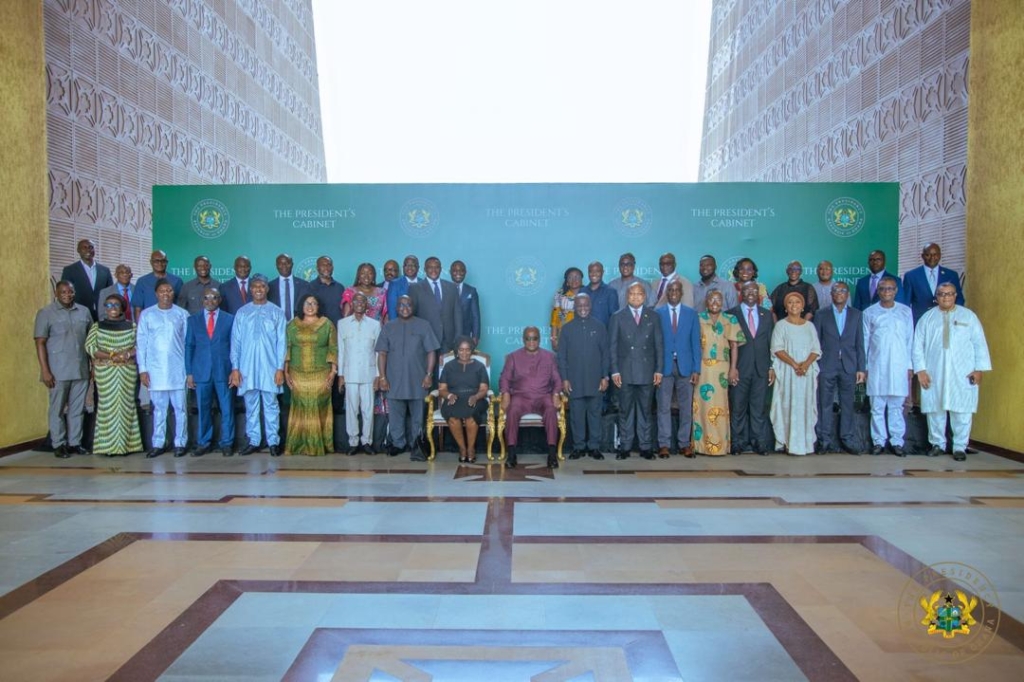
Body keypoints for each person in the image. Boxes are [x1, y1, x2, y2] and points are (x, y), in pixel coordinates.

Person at [913, 283, 992, 461]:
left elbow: (979, 344)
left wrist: (979, 370)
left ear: (955, 295)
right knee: (935, 409)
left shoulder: (968, 317)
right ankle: (937, 444)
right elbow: (917, 346)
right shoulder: (927, 318)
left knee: (962, 410)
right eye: (941, 294)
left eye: (949, 294)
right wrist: (921, 370)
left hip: (962, 372)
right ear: (936, 297)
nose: (945, 297)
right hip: (934, 371)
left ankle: (959, 447)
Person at [375, 295, 439, 461]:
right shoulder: (388, 327)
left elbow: (431, 351)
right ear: (396, 308)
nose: (405, 308)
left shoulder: (423, 325)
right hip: (393, 379)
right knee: (396, 415)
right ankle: (398, 444)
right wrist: (382, 377)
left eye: (408, 304)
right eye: (401, 305)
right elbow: (382, 353)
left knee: (418, 416)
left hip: (418, 380)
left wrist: (429, 375)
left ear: (413, 307)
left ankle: (417, 444)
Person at [230, 274, 287, 456]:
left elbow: (282, 343)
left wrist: (280, 368)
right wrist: (235, 368)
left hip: (270, 367)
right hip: (247, 367)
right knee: (251, 404)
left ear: (267, 289)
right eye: (255, 287)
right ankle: (254, 440)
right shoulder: (242, 312)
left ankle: (273, 441)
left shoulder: (277, 312)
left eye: (262, 286)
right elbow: (236, 342)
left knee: (271, 404)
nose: (258, 290)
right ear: (250, 289)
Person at [34, 281, 93, 458]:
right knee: (57, 409)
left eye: (70, 291)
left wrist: (93, 367)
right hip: (57, 371)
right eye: (63, 291)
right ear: (56, 292)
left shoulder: (84, 311)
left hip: (80, 368)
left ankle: (75, 442)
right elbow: (40, 342)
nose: (67, 294)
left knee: (77, 409)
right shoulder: (46, 313)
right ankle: (58, 444)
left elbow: (91, 341)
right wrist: (45, 371)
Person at [609, 282, 663, 460]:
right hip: (625, 372)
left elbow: (659, 346)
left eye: (639, 294)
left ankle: (645, 447)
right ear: (627, 296)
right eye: (632, 294)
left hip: (647, 371)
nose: (635, 297)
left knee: (645, 410)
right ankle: (625, 446)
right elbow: (613, 347)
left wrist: (659, 370)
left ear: (644, 296)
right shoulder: (618, 317)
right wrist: (615, 371)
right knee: (625, 410)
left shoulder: (653, 316)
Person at [137, 280, 190, 458]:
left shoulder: (182, 314)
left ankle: (180, 443)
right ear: (156, 293)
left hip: (178, 369)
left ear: (173, 293)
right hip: (155, 370)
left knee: (180, 408)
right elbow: (141, 344)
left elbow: (188, 344)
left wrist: (189, 370)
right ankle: (158, 443)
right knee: (159, 409)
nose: (166, 294)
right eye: (162, 291)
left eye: (169, 290)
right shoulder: (147, 314)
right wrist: (142, 369)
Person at [862, 276, 914, 456]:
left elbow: (910, 341)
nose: (886, 292)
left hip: (899, 365)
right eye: (883, 289)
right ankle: (878, 441)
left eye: (890, 289)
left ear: (896, 291)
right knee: (877, 405)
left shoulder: (906, 312)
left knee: (896, 406)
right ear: (878, 291)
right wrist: (865, 367)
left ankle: (897, 441)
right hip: (877, 365)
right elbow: (865, 341)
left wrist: (909, 366)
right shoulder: (869, 313)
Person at [85, 293, 142, 456]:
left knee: (126, 407)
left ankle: (127, 445)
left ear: (122, 308)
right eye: (108, 305)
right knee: (107, 407)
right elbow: (90, 347)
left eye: (116, 305)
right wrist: (111, 355)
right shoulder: (97, 326)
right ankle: (107, 447)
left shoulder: (132, 326)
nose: (112, 308)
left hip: (126, 372)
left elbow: (141, 345)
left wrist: (127, 354)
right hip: (106, 373)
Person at [813, 282, 866, 454]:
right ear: (831, 294)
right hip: (827, 365)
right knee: (824, 404)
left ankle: (847, 439)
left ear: (848, 294)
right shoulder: (821, 314)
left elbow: (860, 343)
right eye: (835, 290)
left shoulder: (856, 315)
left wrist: (861, 368)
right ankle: (824, 440)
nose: (839, 293)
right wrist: (816, 366)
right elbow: (816, 343)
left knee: (847, 404)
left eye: (843, 290)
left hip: (849, 366)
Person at [499, 326, 563, 469]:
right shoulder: (513, 357)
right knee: (513, 409)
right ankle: (511, 454)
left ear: (539, 339)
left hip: (543, 396)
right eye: (528, 338)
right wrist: (505, 393)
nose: (531, 342)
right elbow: (504, 379)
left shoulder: (549, 357)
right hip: (521, 396)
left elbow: (557, 380)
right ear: (523, 340)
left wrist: (556, 393)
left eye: (534, 338)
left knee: (551, 409)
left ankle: (552, 455)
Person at [556, 293, 610, 460]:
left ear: (590, 306)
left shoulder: (600, 326)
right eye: (579, 305)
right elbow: (562, 357)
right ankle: (578, 447)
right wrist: (564, 378)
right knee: (577, 416)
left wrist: (604, 376)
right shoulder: (567, 328)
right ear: (574, 307)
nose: (583, 308)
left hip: (596, 380)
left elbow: (606, 354)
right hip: (574, 381)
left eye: (586, 305)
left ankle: (594, 447)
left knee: (595, 415)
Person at [283, 293, 338, 456]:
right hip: (297, 373)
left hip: (321, 374)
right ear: (301, 306)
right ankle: (297, 445)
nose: (310, 306)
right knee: (300, 406)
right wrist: (285, 372)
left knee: (316, 405)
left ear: (319, 306)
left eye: (314, 303)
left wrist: (333, 372)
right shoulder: (292, 325)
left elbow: (333, 348)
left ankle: (318, 446)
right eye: (307, 303)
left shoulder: (327, 324)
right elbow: (287, 348)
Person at [184, 287, 235, 457]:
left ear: (219, 300)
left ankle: (227, 443)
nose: (210, 301)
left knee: (227, 408)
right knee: (203, 408)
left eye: (214, 297)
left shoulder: (230, 319)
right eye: (206, 298)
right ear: (202, 300)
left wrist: (234, 370)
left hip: (223, 371)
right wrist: (189, 372)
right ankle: (203, 442)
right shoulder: (193, 320)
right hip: (201, 371)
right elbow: (189, 346)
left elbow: (235, 347)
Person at [769, 292, 821, 455]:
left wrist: (805, 365)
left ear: (802, 306)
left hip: (805, 374)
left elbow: (816, 349)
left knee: (805, 405)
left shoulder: (809, 326)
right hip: (788, 373)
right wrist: (795, 365)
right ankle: (787, 442)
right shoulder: (781, 326)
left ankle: (804, 444)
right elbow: (777, 348)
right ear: (785, 307)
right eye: (790, 302)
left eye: (797, 302)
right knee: (786, 406)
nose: (794, 305)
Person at [728, 281, 775, 455]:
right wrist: (731, 368)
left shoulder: (766, 315)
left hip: (761, 369)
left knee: (758, 408)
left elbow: (771, 342)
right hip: (740, 368)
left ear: (758, 294)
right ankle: (737, 443)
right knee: (738, 408)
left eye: (754, 290)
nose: (750, 293)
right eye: (747, 290)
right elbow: (728, 345)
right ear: (741, 292)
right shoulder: (731, 314)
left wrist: (771, 366)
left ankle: (759, 442)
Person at [694, 289, 743, 456]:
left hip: (722, 369)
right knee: (701, 406)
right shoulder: (698, 318)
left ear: (723, 302)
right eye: (711, 300)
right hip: (702, 368)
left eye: (718, 299)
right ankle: (701, 446)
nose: (715, 303)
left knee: (720, 408)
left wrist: (733, 368)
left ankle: (721, 447)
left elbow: (734, 345)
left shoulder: (730, 319)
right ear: (706, 302)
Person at [656, 281, 701, 457]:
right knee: (663, 407)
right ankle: (664, 444)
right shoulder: (658, 314)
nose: (674, 292)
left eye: (677, 290)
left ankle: (684, 443)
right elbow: (655, 344)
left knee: (685, 407)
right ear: (667, 293)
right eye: (671, 290)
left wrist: (696, 369)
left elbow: (695, 344)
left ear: (681, 293)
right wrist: (656, 369)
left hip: (686, 367)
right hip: (664, 367)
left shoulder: (691, 314)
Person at [337, 292, 381, 455]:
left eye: (363, 301)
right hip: (350, 373)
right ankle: (353, 442)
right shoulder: (343, 324)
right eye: (356, 301)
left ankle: (367, 441)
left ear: (367, 305)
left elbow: (378, 352)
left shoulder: (375, 325)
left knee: (368, 410)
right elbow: (341, 352)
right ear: (352, 304)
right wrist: (341, 375)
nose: (360, 304)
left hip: (369, 374)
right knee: (351, 410)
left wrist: (378, 375)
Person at [438, 336, 490, 463]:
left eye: (467, 350)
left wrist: (476, 396)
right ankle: (462, 449)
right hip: (454, 398)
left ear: (471, 350)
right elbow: (442, 389)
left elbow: (484, 389)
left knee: (471, 416)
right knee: (452, 417)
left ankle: (471, 449)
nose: (464, 353)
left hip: (476, 398)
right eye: (461, 350)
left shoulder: (480, 366)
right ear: (457, 350)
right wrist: (449, 396)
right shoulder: (449, 366)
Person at [410, 256, 461, 354]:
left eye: (437, 267)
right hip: (426, 339)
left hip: (448, 341)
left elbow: (457, 314)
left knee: (446, 369)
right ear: (425, 269)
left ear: (441, 269)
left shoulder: (452, 287)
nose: (434, 270)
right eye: (430, 267)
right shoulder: (415, 288)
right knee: (428, 369)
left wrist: (458, 337)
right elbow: (413, 316)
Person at [903, 243, 965, 324]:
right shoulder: (911, 276)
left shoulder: (951, 275)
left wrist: (953, 315)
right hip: (920, 322)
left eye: (935, 254)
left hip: (945, 321)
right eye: (928, 255)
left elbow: (959, 299)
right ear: (922, 256)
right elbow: (906, 303)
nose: (932, 257)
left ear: (940, 255)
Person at [60, 238, 113, 321]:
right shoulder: (69, 270)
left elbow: (111, 292)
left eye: (90, 247)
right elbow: (65, 293)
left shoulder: (105, 270)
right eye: (84, 247)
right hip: (78, 315)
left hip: (103, 315)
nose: (88, 250)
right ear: (78, 250)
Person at [133, 250, 183, 318]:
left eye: (163, 261)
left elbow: (181, 306)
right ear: (151, 262)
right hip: (149, 322)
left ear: (167, 262)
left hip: (172, 322)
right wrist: (140, 327)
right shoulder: (142, 282)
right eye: (156, 261)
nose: (160, 263)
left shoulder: (177, 281)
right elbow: (138, 309)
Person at [269, 253, 311, 322]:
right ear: (276, 266)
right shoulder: (270, 286)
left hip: (299, 326)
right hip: (276, 325)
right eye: (280, 263)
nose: (284, 266)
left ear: (292, 264)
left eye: (287, 263)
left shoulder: (304, 285)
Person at [550, 267, 583, 351]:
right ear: (567, 282)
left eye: (577, 277)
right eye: (570, 277)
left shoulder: (587, 294)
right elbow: (554, 320)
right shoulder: (560, 295)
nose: (574, 279)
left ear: (581, 279)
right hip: (563, 334)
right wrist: (554, 339)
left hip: (582, 335)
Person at [450, 260, 481, 346]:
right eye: (455, 271)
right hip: (448, 335)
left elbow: (476, 316)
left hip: (466, 334)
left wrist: (476, 335)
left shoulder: (471, 291)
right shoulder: (444, 289)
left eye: (461, 270)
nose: (458, 273)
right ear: (450, 272)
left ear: (465, 272)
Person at [308, 255, 345, 324]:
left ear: (332, 267)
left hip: (338, 329)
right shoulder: (310, 287)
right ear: (317, 268)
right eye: (323, 265)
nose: (326, 268)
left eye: (329, 265)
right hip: (318, 330)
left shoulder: (340, 287)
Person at [386, 255, 422, 320]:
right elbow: (392, 309)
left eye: (413, 265)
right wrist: (395, 327)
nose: (409, 267)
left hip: (420, 325)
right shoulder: (394, 284)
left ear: (418, 267)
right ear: (403, 267)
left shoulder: (423, 283)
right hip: (401, 324)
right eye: (407, 265)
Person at [584, 261, 618, 327]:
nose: (594, 274)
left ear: (602, 272)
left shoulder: (610, 292)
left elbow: (614, 317)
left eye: (597, 271)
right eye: (591, 271)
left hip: (604, 334)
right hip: (584, 333)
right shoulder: (582, 291)